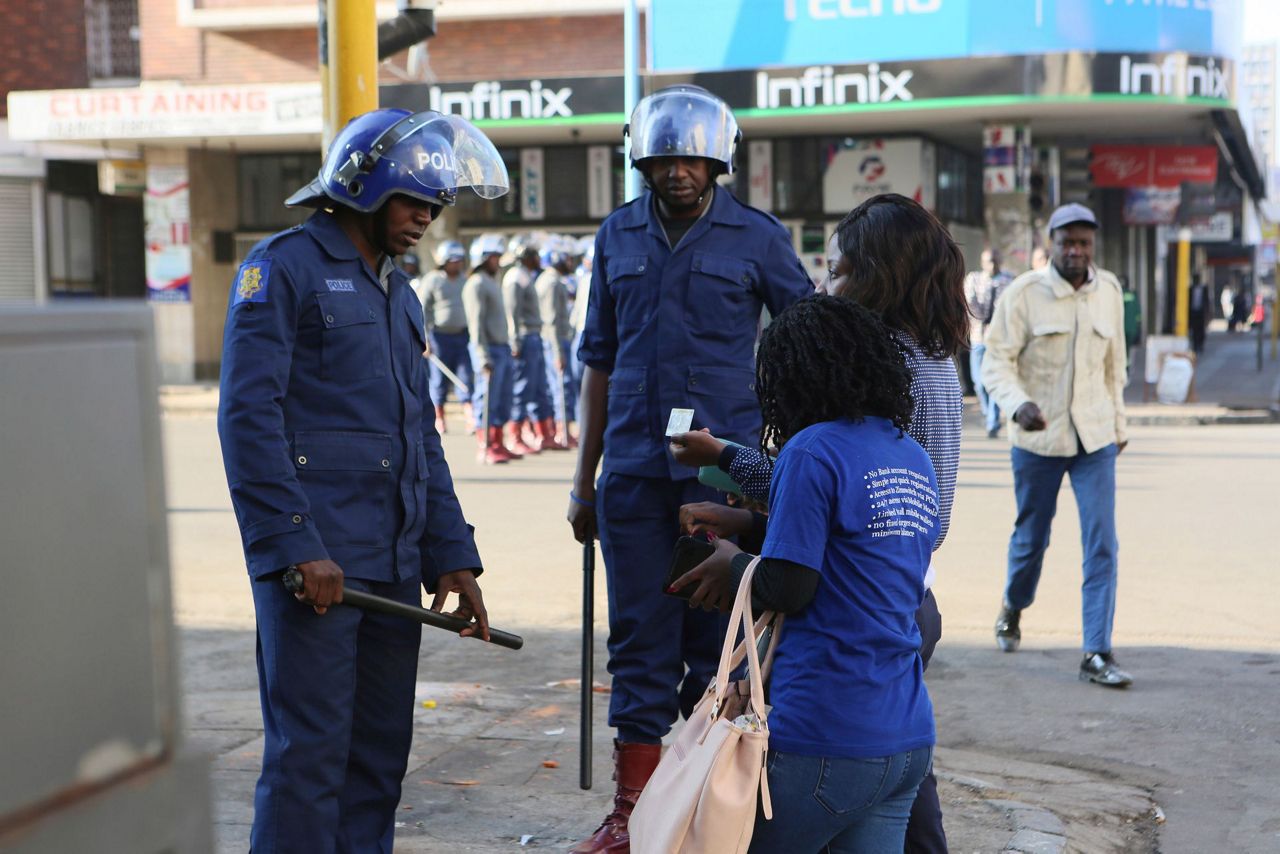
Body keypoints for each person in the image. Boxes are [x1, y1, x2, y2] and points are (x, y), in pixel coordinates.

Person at [217, 108, 505, 853]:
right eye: (414, 202)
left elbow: (421, 438)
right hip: (317, 569)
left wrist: (454, 551)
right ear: (363, 189)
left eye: (435, 206)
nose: (426, 219)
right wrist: (291, 547)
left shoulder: (398, 294)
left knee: (378, 762)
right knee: (308, 759)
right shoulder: (280, 269)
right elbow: (248, 419)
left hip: (392, 568)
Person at [671, 192, 967, 853]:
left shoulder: (855, 403)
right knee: (893, 791)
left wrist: (741, 557)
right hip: (901, 647)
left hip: (845, 635)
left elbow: (823, 520)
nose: (824, 285)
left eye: (836, 269)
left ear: (875, 273)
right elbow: (865, 507)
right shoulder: (928, 376)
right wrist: (742, 502)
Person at [566, 84, 814, 854]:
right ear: (642, 159)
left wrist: (790, 459)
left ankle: (713, 800)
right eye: (665, 157)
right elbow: (598, 363)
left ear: (718, 161)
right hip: (635, 478)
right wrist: (584, 482)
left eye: (694, 158)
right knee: (638, 641)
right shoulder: (615, 237)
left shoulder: (758, 238)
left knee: (725, 647)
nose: (679, 171)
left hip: (725, 477)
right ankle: (632, 816)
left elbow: (807, 343)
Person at [982, 202, 1132, 688]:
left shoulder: (1107, 291)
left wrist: (1120, 424)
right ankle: (1014, 604)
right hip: (1038, 439)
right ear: (1051, 244)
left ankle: (1096, 651)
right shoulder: (1024, 295)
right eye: (1067, 242)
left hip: (1095, 437)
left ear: (1093, 246)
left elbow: (1115, 367)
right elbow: (995, 362)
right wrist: (1016, 403)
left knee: (1102, 541)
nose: (1075, 251)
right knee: (1032, 538)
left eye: (1084, 242)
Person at [464, 233, 520, 465]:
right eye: (494, 256)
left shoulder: (492, 281)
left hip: (502, 348)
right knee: (486, 399)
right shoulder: (476, 284)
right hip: (489, 350)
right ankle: (485, 446)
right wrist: (482, 356)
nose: (498, 261)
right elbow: (476, 324)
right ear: (483, 258)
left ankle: (498, 442)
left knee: (502, 399)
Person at [504, 235, 561, 453]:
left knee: (539, 387)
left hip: (535, 337)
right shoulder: (515, 277)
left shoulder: (527, 275)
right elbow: (512, 313)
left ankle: (543, 434)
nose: (539, 258)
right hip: (525, 338)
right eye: (535, 255)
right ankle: (515, 436)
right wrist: (515, 340)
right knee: (523, 387)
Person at [416, 240, 473, 434]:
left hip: (462, 336)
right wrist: (424, 339)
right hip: (439, 337)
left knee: (466, 376)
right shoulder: (433, 280)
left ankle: (470, 416)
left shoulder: (465, 280)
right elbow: (422, 309)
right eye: (452, 260)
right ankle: (439, 418)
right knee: (439, 381)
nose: (456, 264)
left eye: (459, 260)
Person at [964, 248, 1014, 438]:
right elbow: (970, 304)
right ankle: (988, 413)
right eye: (988, 261)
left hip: (999, 339)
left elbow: (1009, 307)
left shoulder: (1009, 281)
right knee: (979, 382)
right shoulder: (974, 279)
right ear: (982, 262)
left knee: (994, 379)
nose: (992, 266)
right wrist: (983, 317)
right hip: (978, 337)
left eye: (995, 261)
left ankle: (992, 421)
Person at [536, 234, 578, 448]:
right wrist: (557, 352)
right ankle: (562, 432)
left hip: (559, 339)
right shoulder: (551, 282)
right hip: (555, 341)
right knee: (560, 386)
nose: (570, 263)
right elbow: (551, 320)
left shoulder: (552, 280)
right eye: (567, 258)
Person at [1188, 274, 1210, 354]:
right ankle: (1195, 345)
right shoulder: (1190, 289)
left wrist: (1207, 313)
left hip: (1201, 312)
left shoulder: (1204, 289)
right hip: (1193, 312)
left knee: (1201, 330)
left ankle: (1200, 345)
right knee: (1194, 329)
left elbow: (1207, 302)